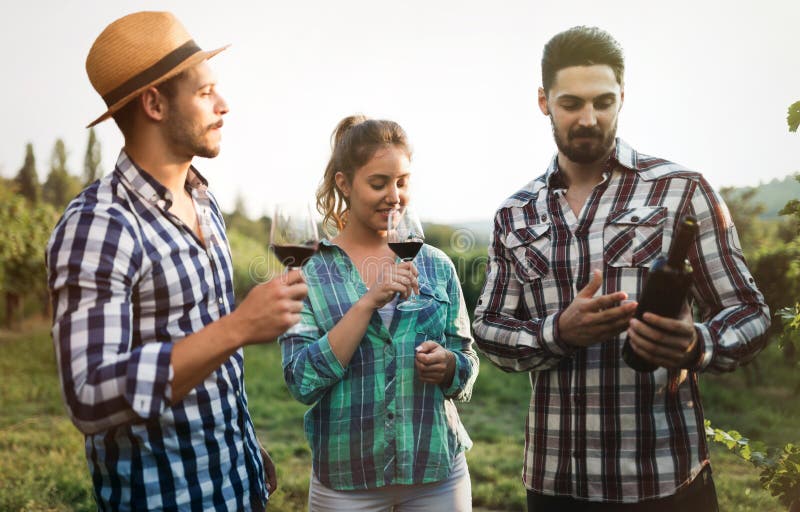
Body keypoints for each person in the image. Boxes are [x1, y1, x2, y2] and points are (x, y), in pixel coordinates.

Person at [472, 26, 770, 511]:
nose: (588, 118)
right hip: (555, 484)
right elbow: (487, 327)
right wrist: (559, 332)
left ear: (622, 98)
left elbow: (750, 311)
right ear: (544, 101)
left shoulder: (682, 191)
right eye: (571, 104)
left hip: (665, 480)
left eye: (603, 102)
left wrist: (698, 344)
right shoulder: (515, 212)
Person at [46, 11, 307, 511]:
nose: (225, 105)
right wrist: (239, 326)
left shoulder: (203, 200)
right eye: (207, 92)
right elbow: (88, 393)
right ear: (154, 104)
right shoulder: (99, 224)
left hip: (237, 485)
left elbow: (203, 360)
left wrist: (244, 453)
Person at [279, 115, 478, 511]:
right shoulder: (308, 271)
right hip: (346, 479)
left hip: (436, 470)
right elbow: (301, 381)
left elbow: (467, 360)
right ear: (344, 183)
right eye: (378, 183)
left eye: (402, 182)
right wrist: (367, 302)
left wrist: (450, 365)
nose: (394, 196)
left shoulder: (436, 265)